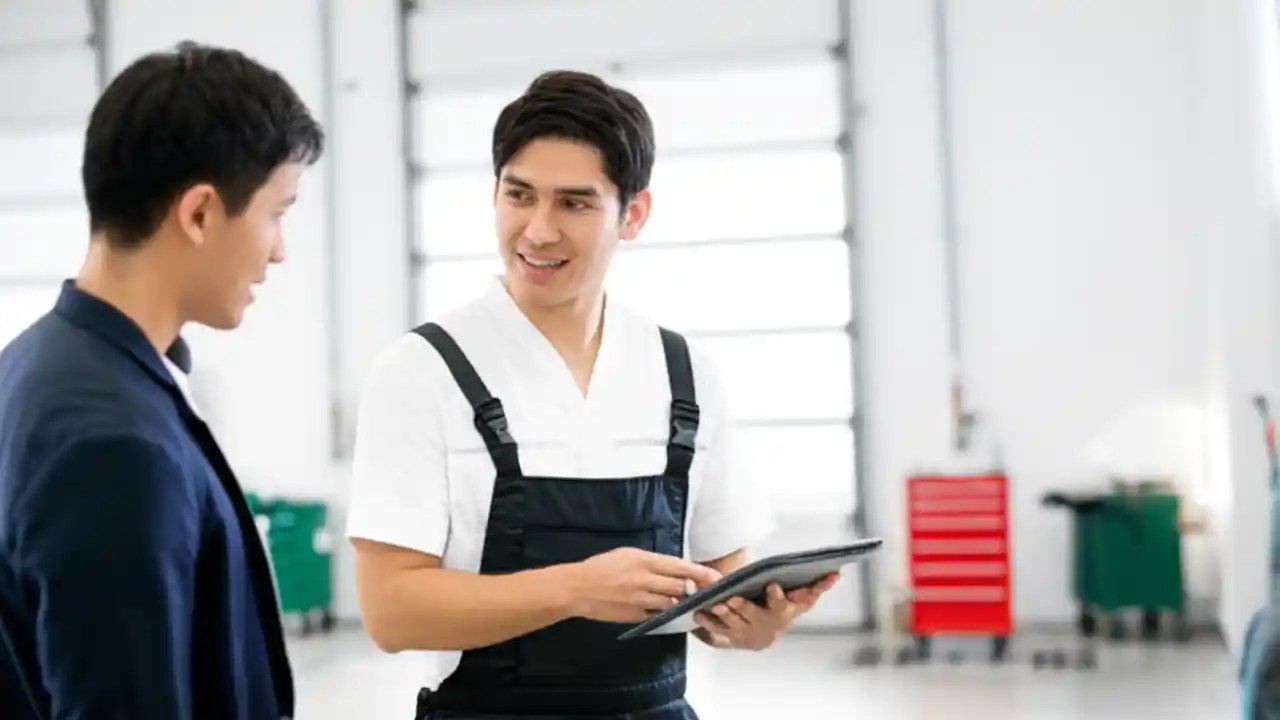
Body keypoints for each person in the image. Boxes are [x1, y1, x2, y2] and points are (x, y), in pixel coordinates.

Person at [347, 70, 840, 719]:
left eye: (574, 204)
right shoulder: (422, 371)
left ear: (633, 214)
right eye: (518, 195)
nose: (537, 231)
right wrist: (574, 590)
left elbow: (722, 584)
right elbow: (391, 613)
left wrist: (752, 627)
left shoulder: (683, 375)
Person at [0, 42, 323, 719]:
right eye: (277, 212)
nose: (280, 249)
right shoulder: (113, 442)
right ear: (200, 212)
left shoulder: (40, 365)